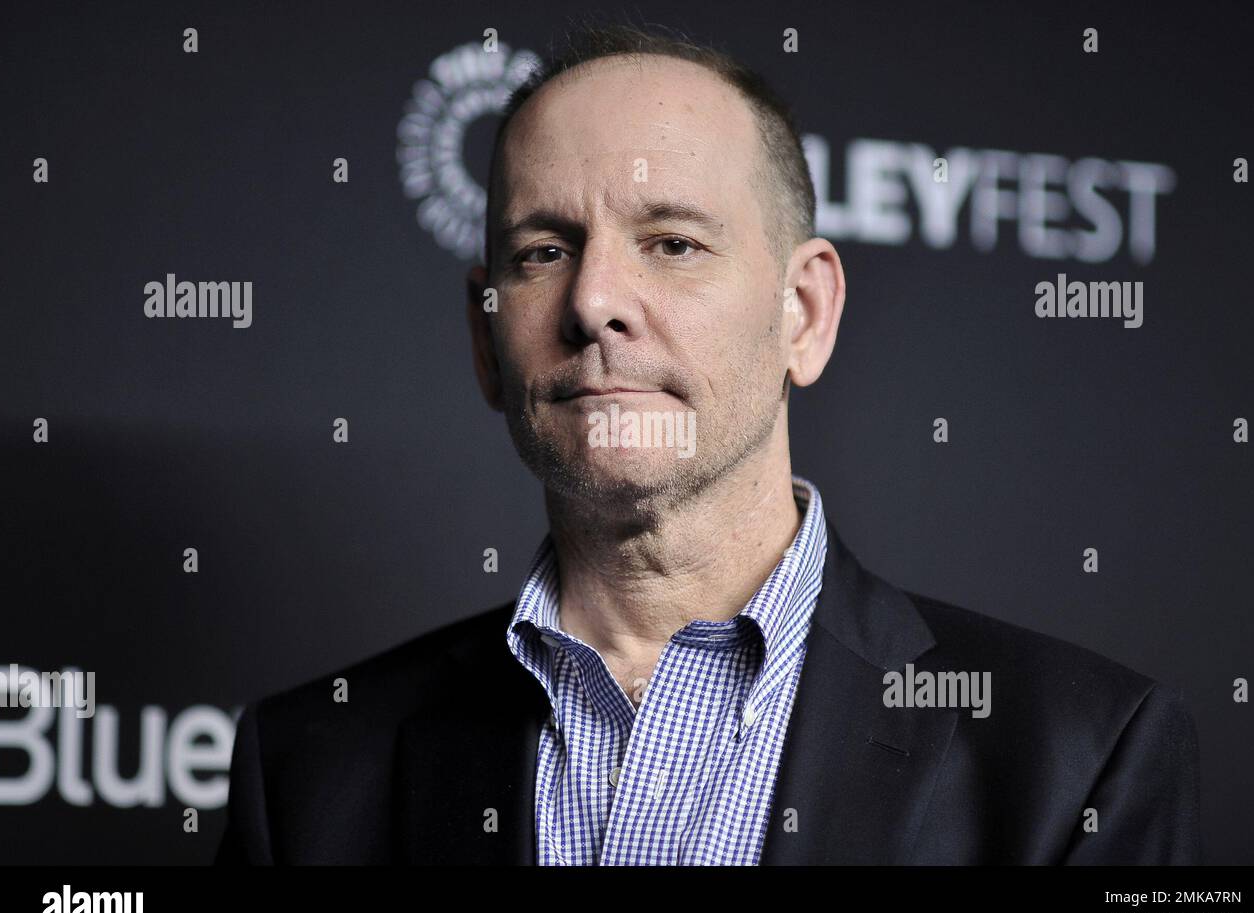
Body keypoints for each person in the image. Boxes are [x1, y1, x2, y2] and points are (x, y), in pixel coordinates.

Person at [216, 24, 1200, 865]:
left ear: (803, 314)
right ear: (484, 340)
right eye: (543, 253)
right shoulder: (306, 771)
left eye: (673, 244)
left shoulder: (1078, 756)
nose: (595, 302)